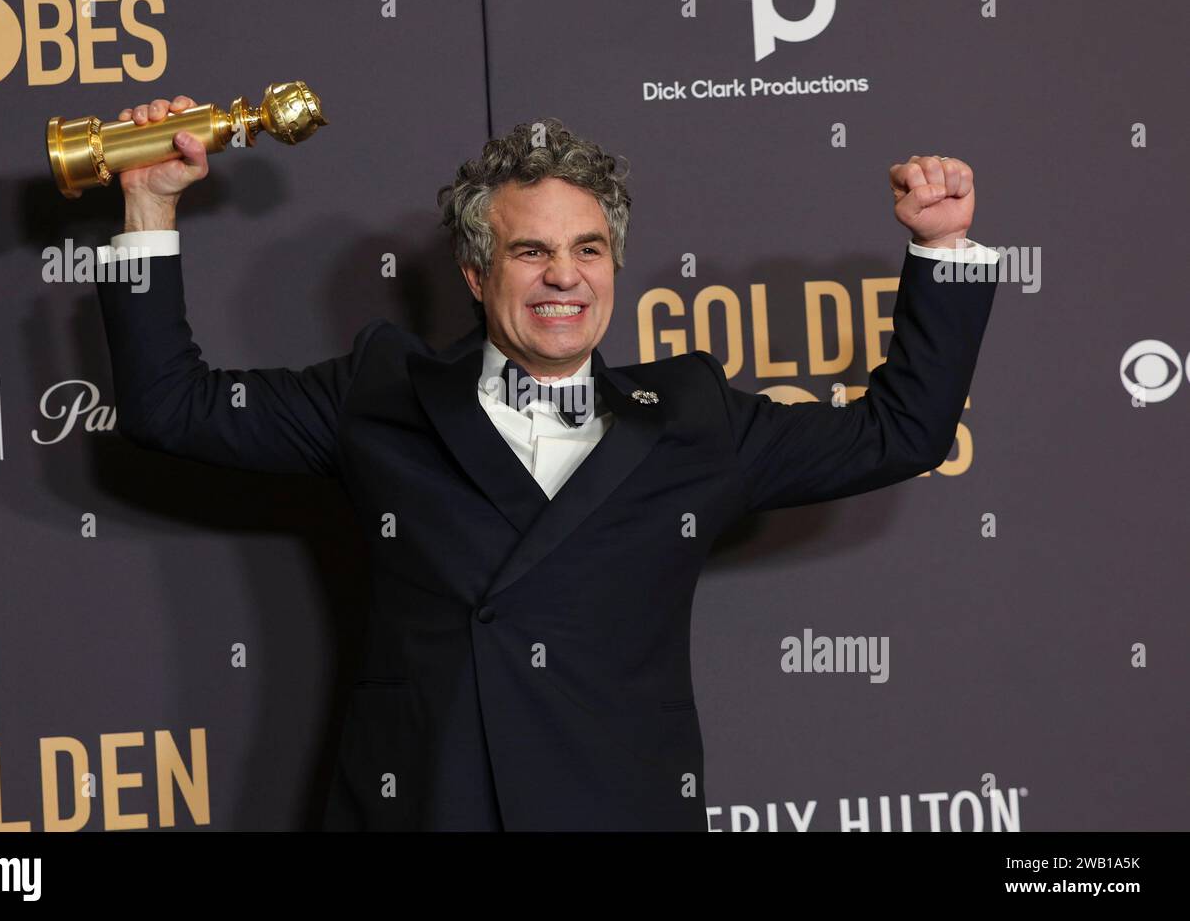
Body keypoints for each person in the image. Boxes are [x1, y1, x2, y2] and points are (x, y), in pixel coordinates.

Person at [94, 96, 1000, 830]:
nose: (564, 277)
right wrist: (150, 203)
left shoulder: (690, 416)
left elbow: (902, 433)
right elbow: (172, 408)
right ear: (478, 275)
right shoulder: (381, 392)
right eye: (531, 251)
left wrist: (940, 248)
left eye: (587, 250)